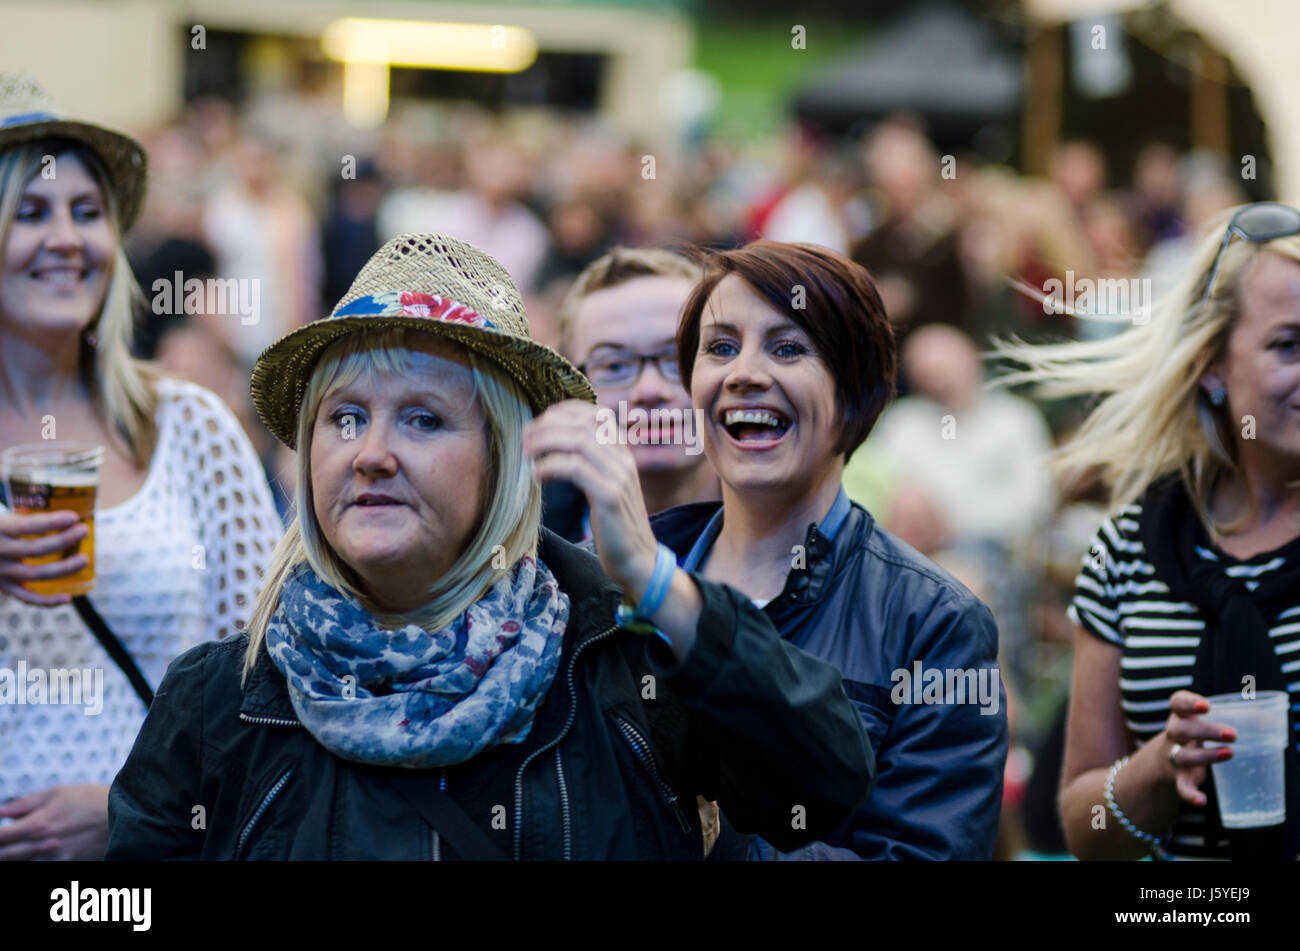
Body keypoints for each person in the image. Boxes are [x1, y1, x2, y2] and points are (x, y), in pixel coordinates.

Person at [104, 233, 875, 860]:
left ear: (503, 457)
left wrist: (651, 580)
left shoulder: (618, 666)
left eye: (422, 419)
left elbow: (824, 780)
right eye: (343, 418)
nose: (371, 452)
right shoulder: (222, 699)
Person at [651, 240, 1008, 860]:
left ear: (856, 392)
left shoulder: (935, 623)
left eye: (788, 348)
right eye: (721, 348)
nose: (744, 373)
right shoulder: (616, 581)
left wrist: (712, 846)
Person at [0, 74, 279, 859]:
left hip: (141, 869)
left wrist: (130, 809)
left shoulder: (190, 428)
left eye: (88, 214)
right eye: (30, 212)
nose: (66, 237)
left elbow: (266, 682)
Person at [996, 202, 1300, 860]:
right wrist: (1157, 768)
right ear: (1212, 367)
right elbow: (1083, 830)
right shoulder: (1131, 548)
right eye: (1288, 344)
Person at [545, 247, 720, 542]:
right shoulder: (524, 546)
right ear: (567, 392)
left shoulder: (793, 529)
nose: (649, 391)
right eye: (613, 365)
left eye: (678, 361)